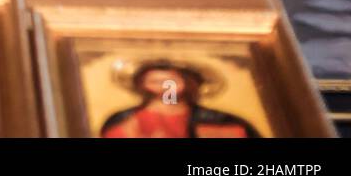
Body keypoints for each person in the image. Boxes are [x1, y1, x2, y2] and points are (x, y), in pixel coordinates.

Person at [100, 62, 260, 138]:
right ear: (143, 86)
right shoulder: (124, 119)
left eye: (171, 81)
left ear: (188, 84)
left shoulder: (219, 120)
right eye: (155, 82)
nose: (165, 87)